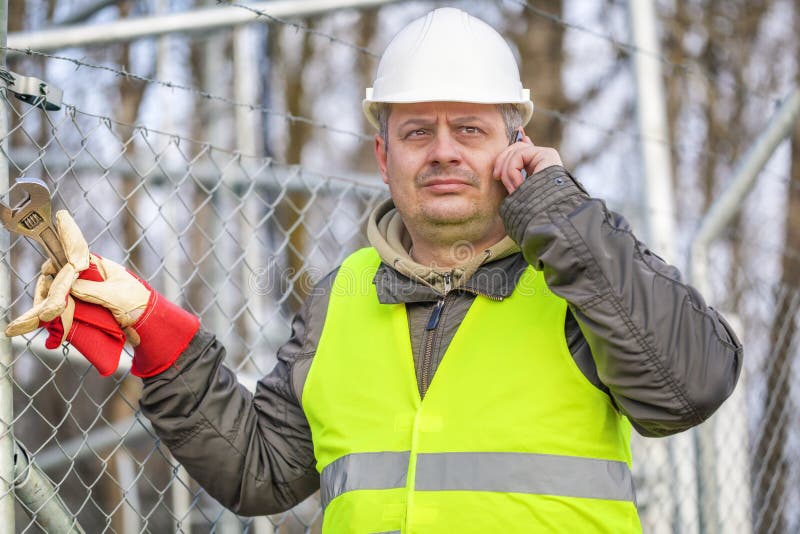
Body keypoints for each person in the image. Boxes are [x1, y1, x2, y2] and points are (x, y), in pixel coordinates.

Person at [6, 7, 742, 533]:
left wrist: (557, 211)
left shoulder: (581, 273)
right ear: (385, 156)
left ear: (516, 145)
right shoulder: (342, 295)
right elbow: (263, 472)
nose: (444, 150)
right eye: (418, 131)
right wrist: (157, 332)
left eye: (471, 129)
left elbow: (688, 388)